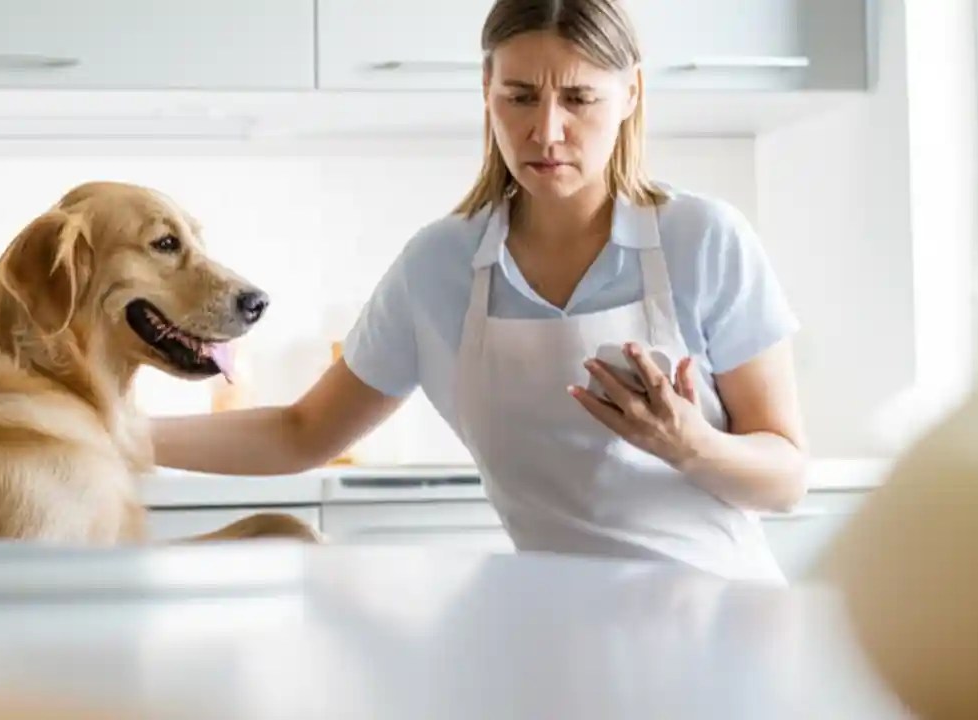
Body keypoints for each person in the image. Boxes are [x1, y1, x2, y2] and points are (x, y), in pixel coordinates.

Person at [152, 0, 807, 583]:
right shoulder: (440, 265)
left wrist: (691, 443)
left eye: (579, 98)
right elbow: (301, 434)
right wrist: (108, 432)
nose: (547, 132)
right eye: (520, 97)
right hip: (559, 627)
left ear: (631, 93)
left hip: (725, 613)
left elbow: (785, 480)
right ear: (486, 89)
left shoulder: (703, 240)